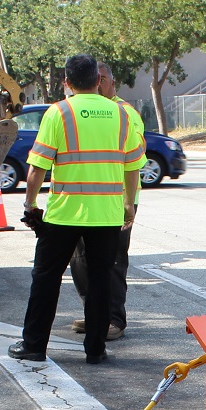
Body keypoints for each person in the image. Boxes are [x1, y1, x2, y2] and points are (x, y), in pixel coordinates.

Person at [9, 54, 144, 365]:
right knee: (100, 281)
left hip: (64, 214)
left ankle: (34, 346)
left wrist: (30, 205)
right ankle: (96, 349)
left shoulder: (59, 112)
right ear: (97, 80)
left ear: (67, 82)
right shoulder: (121, 114)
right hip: (106, 216)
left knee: (46, 278)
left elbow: (37, 167)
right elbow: (133, 165)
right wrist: (128, 204)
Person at [67, 61, 144, 341]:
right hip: (83, 199)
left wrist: (128, 203)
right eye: (95, 78)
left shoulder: (125, 113)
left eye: (103, 79)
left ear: (112, 83)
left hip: (117, 200)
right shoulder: (77, 111)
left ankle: (114, 319)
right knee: (80, 260)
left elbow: (136, 155)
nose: (98, 84)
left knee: (113, 262)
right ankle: (95, 315)